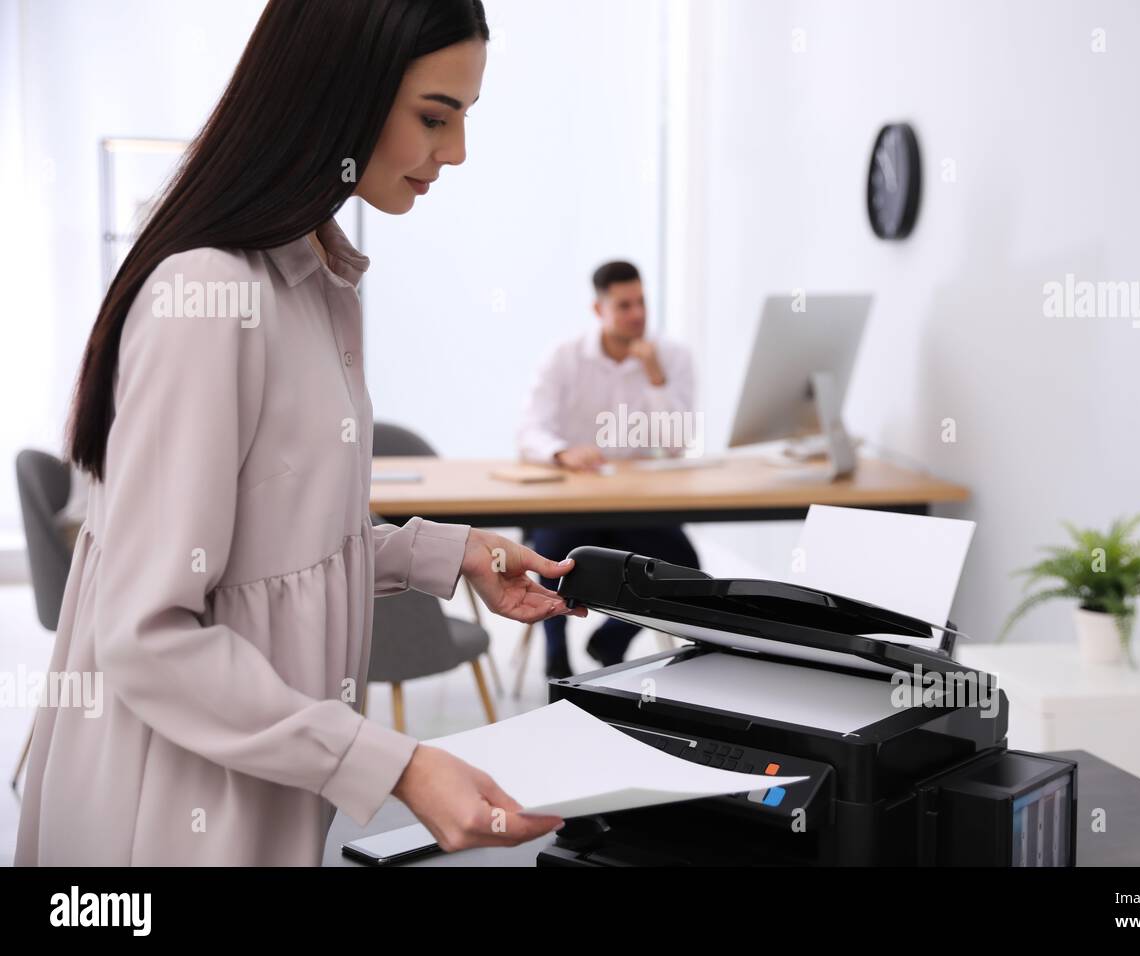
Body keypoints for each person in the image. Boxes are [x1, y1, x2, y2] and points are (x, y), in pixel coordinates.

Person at [17, 0, 583, 866]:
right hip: (170, 807)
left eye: (463, 119)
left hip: (257, 778)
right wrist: (394, 766)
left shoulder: (318, 275)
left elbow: (276, 555)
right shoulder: (209, 294)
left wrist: (449, 553)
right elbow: (148, 632)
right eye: (436, 116)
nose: (456, 152)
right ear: (339, 92)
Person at [517, 261, 700, 678]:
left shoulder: (671, 357)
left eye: (641, 302)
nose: (637, 314)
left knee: (684, 567)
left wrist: (655, 378)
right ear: (599, 310)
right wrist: (562, 452)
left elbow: (675, 443)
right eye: (624, 305)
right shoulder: (564, 359)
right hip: (573, 504)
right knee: (550, 555)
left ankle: (612, 638)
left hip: (638, 506)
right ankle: (556, 651)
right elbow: (530, 429)